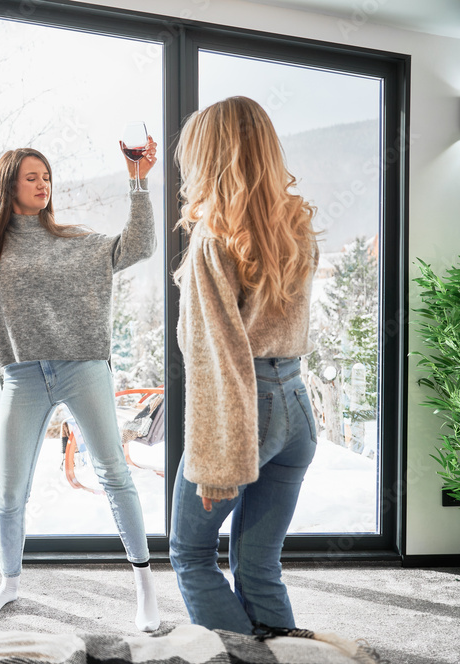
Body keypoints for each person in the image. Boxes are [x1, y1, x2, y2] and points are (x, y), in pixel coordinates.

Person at [0, 144, 161, 632]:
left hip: (84, 367)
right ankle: (9, 584)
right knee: (10, 491)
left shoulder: (78, 241)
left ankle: (145, 588)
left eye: (46, 176)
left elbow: (138, 245)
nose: (42, 184)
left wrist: (137, 180)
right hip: (23, 375)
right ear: (9, 185)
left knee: (114, 472)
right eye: (31, 177)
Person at [169, 96, 319, 634]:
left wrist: (215, 461)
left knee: (189, 554)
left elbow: (218, 361)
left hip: (244, 408)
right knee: (258, 566)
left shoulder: (214, 238)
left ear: (211, 156)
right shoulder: (294, 226)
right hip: (296, 406)